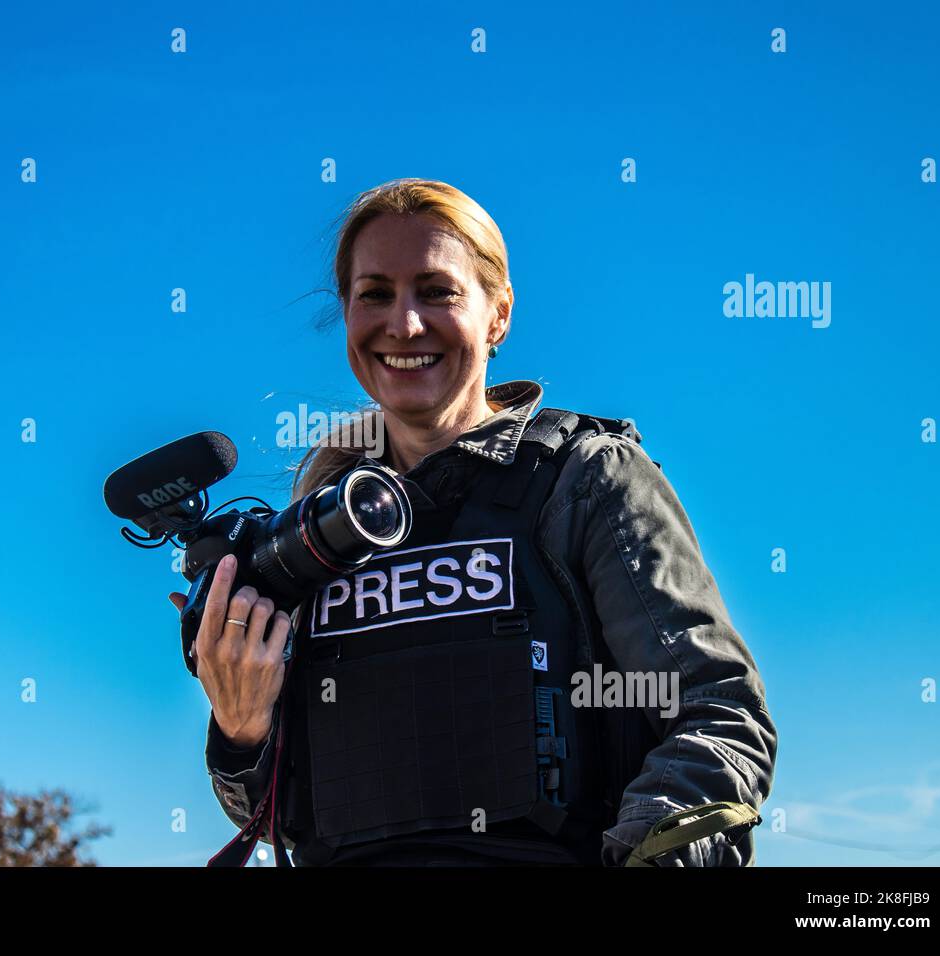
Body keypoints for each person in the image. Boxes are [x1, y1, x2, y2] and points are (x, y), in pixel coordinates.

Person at [168, 178, 777, 866]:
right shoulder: (311, 537)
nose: (404, 324)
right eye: (375, 294)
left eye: (437, 291)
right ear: (346, 313)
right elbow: (274, 820)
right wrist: (240, 728)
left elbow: (717, 714)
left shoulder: (581, 481)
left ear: (498, 314)